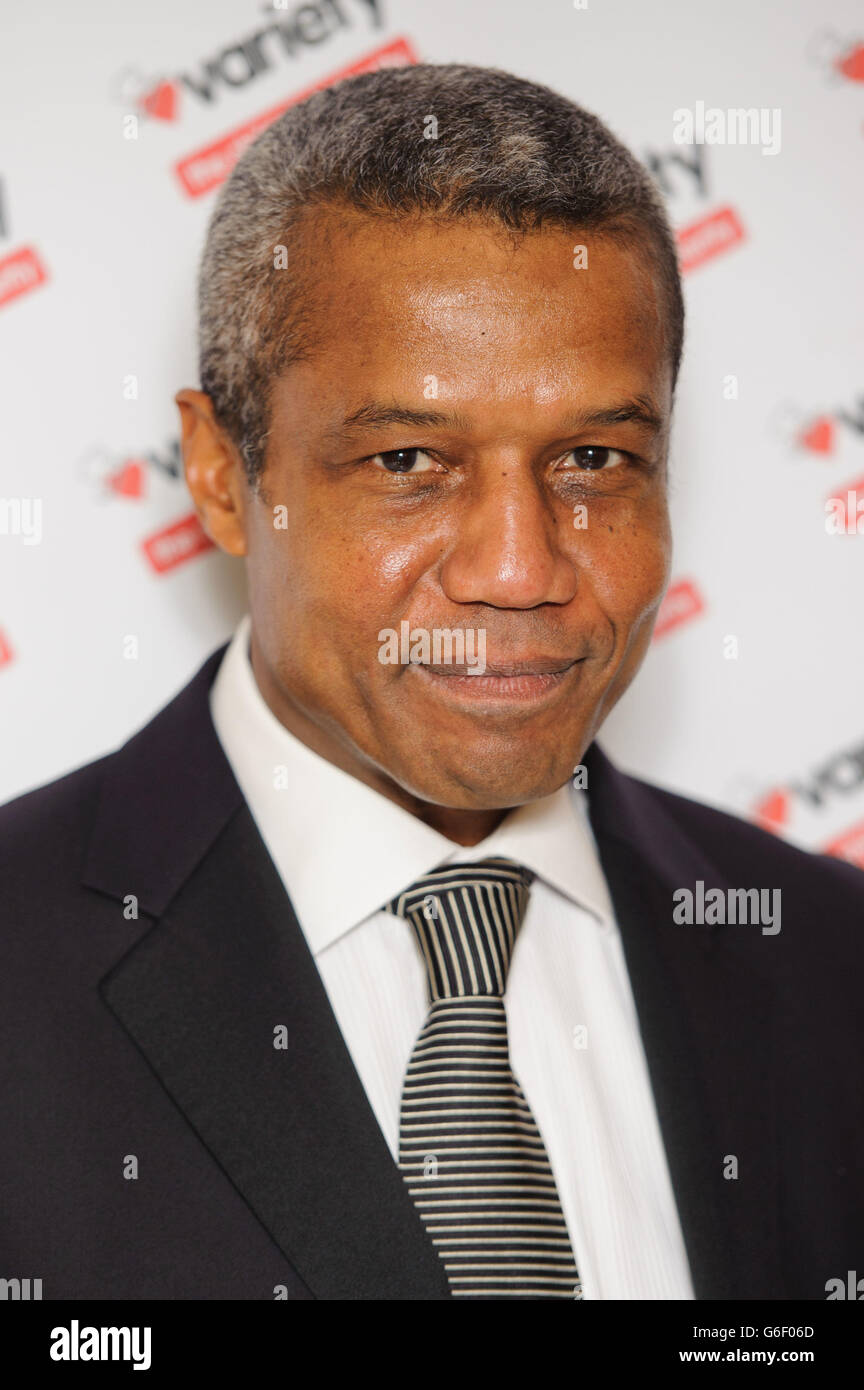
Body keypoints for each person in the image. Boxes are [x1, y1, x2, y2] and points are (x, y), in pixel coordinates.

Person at [1, 63, 862, 1302]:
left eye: (596, 458)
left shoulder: (831, 967)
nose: (520, 570)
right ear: (215, 471)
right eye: (408, 458)